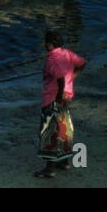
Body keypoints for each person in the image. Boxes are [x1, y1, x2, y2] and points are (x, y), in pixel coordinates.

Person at [36, 30, 85, 178]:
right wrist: (72, 78)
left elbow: (60, 77)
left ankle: (49, 169)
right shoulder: (67, 54)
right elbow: (81, 63)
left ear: (49, 44)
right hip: (66, 97)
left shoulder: (52, 59)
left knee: (50, 132)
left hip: (53, 98)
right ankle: (64, 161)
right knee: (63, 130)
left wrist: (58, 94)